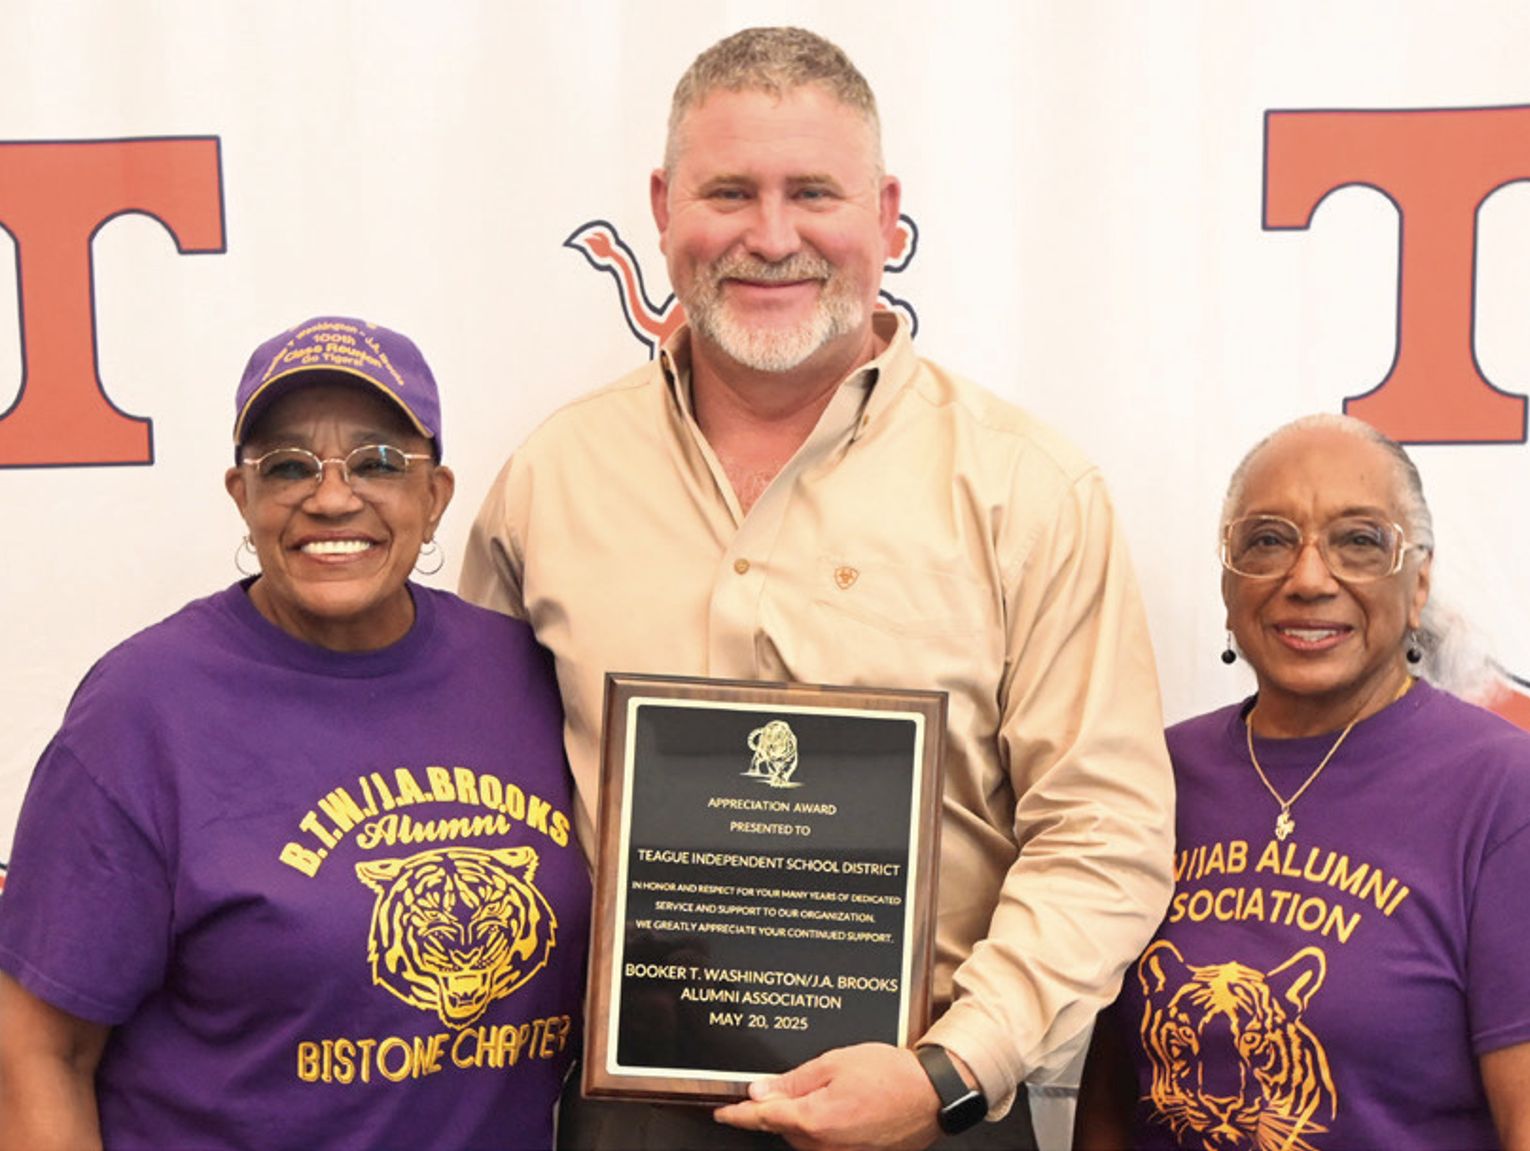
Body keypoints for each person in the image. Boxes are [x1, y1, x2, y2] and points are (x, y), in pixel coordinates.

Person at [460, 26, 1174, 1151]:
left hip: (933, 1112)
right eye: (729, 192)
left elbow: (1104, 827)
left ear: (885, 215)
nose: (772, 236)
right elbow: (479, 805)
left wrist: (952, 1067)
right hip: (629, 1111)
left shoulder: (1026, 489)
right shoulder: (551, 481)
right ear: (663, 208)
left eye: (813, 193)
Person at [0, 316, 590, 1151]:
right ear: (242, 497)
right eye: (286, 466)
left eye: (379, 462)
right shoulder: (141, 710)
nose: (332, 496)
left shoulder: (529, 672)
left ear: (435, 496)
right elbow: (37, 1052)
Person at [1073, 414, 1530, 1151]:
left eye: (1359, 540)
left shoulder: (1503, 790)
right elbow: (1112, 1096)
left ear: (1417, 583)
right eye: (1268, 540)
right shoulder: (1155, 774)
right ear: (1229, 582)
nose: (1309, 579)